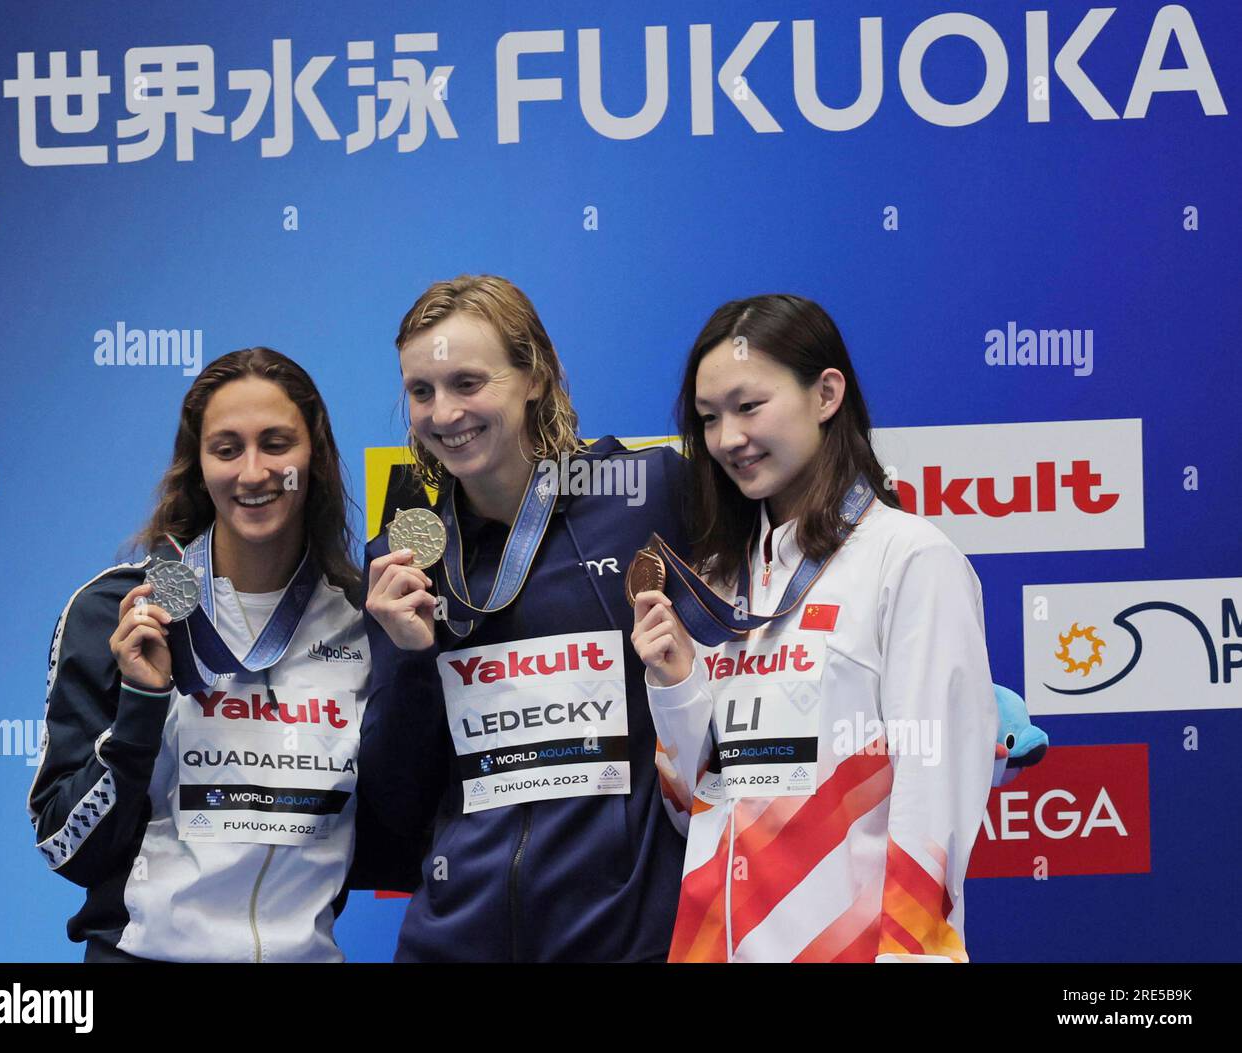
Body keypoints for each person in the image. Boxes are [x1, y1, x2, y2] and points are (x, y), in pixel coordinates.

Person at [630, 295, 997, 962]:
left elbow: (934, 786)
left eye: (749, 406)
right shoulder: (718, 580)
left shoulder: (910, 557)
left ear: (826, 393)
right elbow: (691, 807)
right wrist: (676, 683)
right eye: (709, 419)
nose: (727, 438)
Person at [360, 274, 688, 961]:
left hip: (620, 938)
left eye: (468, 383)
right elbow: (396, 802)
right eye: (421, 391)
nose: (444, 412)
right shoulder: (402, 558)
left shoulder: (647, 497)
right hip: (454, 940)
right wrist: (413, 659)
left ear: (534, 375)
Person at [28, 347, 375, 962]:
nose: (252, 472)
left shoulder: (364, 618)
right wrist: (140, 707)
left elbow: (396, 827)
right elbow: (64, 845)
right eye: (226, 449)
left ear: (313, 460)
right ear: (199, 466)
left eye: (276, 444)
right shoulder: (120, 609)